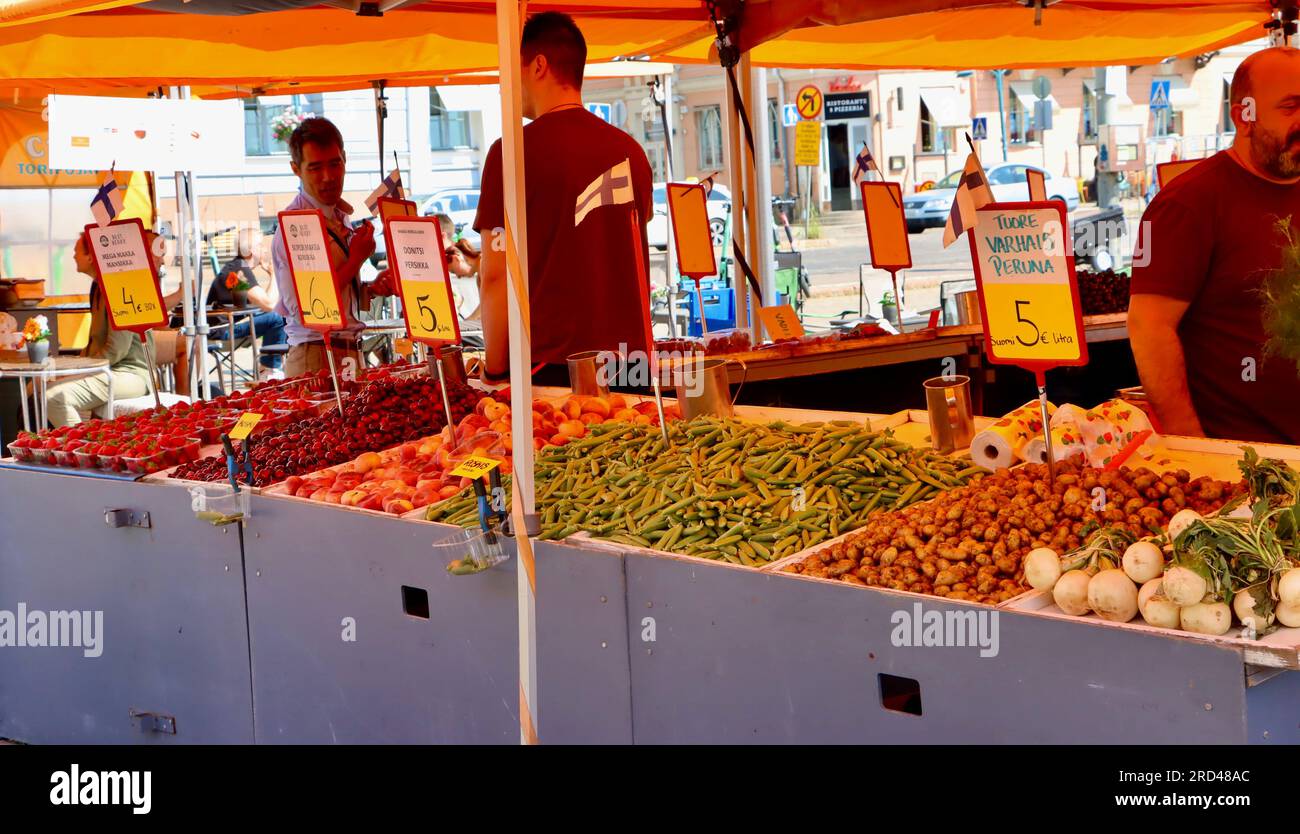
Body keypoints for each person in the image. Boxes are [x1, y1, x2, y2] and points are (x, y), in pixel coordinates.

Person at [1129, 45, 1300, 445]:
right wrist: (1193, 446)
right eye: (1290, 107)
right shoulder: (1185, 204)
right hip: (1247, 463)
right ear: (1245, 117)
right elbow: (1149, 328)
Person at [473, 11, 653, 384]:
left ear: (538, 65)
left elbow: (494, 276)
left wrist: (495, 369)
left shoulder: (511, 154)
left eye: (512, 69)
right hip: (632, 367)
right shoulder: (631, 152)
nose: (505, 83)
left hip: (551, 367)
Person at [270, 117, 394, 377]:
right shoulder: (295, 225)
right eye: (315, 168)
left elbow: (340, 298)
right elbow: (305, 304)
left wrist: (369, 290)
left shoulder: (339, 216)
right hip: (315, 355)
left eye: (334, 163)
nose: (328, 177)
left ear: (345, 159)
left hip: (345, 352)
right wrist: (356, 260)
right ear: (296, 169)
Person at [44, 230, 160, 427]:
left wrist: (77, 370)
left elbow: (116, 350)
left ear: (91, 257)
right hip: (111, 369)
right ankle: (49, 446)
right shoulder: (98, 287)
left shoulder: (119, 285)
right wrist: (72, 368)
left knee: (54, 397)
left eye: (77, 251)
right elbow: (97, 344)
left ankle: (85, 450)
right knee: (36, 388)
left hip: (131, 375)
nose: (73, 255)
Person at [208, 229, 288, 382]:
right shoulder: (238, 272)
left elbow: (264, 302)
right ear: (251, 250)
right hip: (222, 331)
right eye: (261, 245)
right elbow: (269, 304)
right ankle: (269, 371)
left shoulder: (236, 268)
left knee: (282, 315)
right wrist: (274, 275)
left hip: (227, 325)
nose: (265, 250)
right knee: (277, 317)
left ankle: (272, 366)